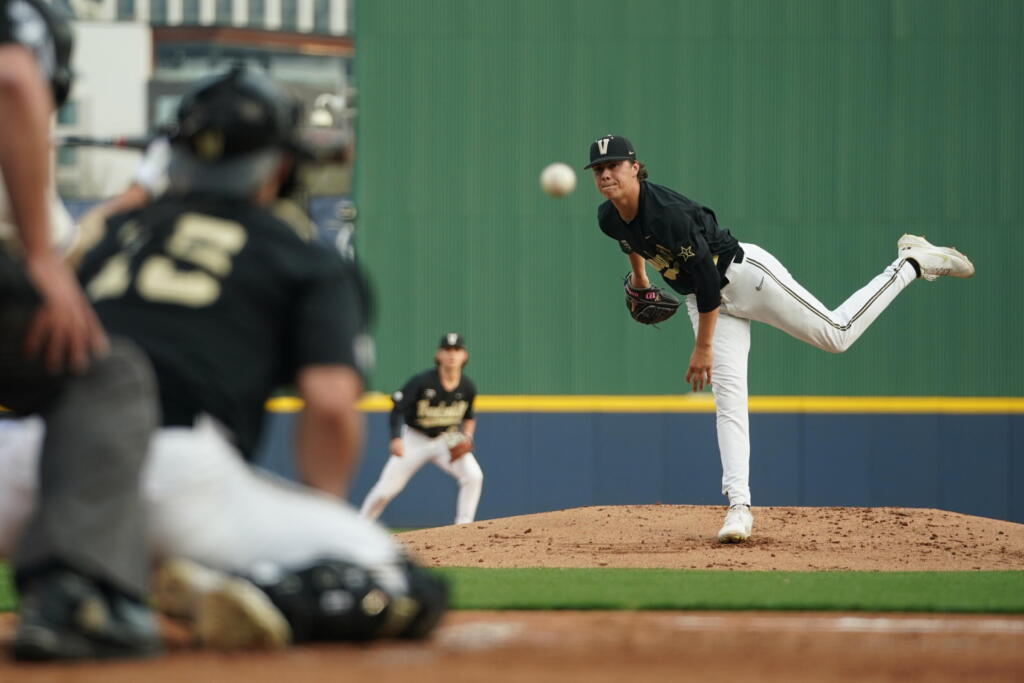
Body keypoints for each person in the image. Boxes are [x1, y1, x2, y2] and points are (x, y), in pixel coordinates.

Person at [585, 134, 974, 543]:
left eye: (614, 165)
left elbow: (708, 286)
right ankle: (739, 508)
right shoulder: (608, 216)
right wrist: (642, 278)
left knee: (836, 335)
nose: (606, 173)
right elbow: (630, 241)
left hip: (745, 279)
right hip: (705, 300)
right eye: (599, 168)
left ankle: (911, 262)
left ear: (634, 167)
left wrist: (702, 349)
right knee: (728, 402)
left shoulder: (670, 215)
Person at [0, 0, 161, 661]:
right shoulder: (22, 28)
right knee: (104, 371)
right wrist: (41, 253)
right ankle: (68, 590)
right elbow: (12, 73)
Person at [360, 333, 483, 526]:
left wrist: (467, 436)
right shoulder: (422, 382)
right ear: (439, 355)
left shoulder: (467, 387)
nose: (452, 354)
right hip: (416, 437)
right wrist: (396, 438)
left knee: (473, 476)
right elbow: (397, 408)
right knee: (386, 490)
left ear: (464, 356)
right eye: (447, 350)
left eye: (457, 350)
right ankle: (362, 525)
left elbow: (468, 417)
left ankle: (464, 527)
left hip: (448, 436)